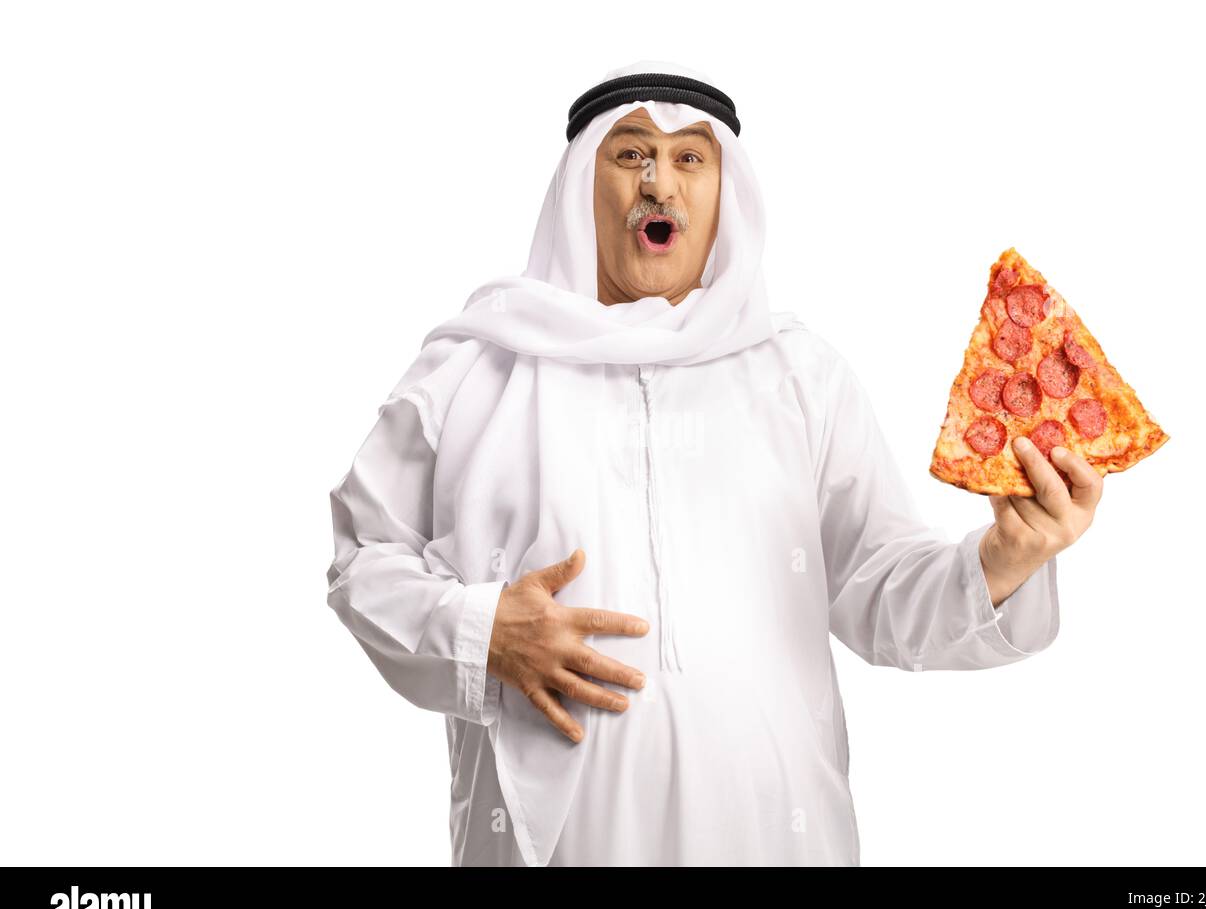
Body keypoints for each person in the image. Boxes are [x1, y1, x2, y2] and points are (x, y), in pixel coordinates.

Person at [324, 60, 1102, 866]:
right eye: (631, 155)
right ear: (577, 188)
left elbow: (880, 584)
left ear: (724, 197)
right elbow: (361, 564)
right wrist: (482, 634)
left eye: (690, 159)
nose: (660, 184)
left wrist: (1006, 559)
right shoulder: (473, 373)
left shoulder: (799, 374)